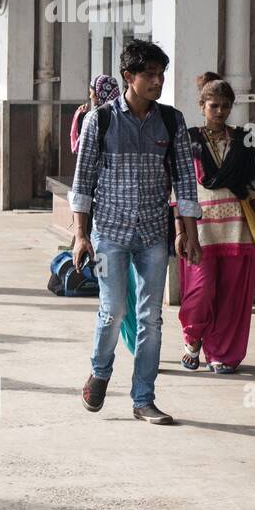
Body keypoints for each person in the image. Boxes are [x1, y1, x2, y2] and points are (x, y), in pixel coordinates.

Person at [71, 39, 202, 425]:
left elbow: (184, 181)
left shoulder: (172, 121)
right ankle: (100, 371)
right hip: (109, 233)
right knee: (113, 311)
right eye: (149, 75)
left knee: (151, 318)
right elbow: (83, 183)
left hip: (152, 236)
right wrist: (81, 235)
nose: (157, 82)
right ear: (129, 76)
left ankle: (144, 398)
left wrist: (189, 233)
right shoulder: (101, 120)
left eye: (161, 75)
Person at [178, 73, 255, 374]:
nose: (220, 112)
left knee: (233, 295)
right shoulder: (189, 140)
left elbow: (254, 185)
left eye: (225, 106)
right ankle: (193, 340)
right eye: (214, 106)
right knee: (201, 290)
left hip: (238, 230)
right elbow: (179, 188)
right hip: (201, 231)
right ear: (201, 105)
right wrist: (180, 231)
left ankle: (221, 354)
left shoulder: (242, 140)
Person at [68, 74, 135, 355]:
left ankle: (129, 342)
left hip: (101, 212)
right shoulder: (118, 118)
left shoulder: (94, 118)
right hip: (110, 211)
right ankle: (131, 343)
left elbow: (76, 148)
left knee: (116, 291)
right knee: (126, 289)